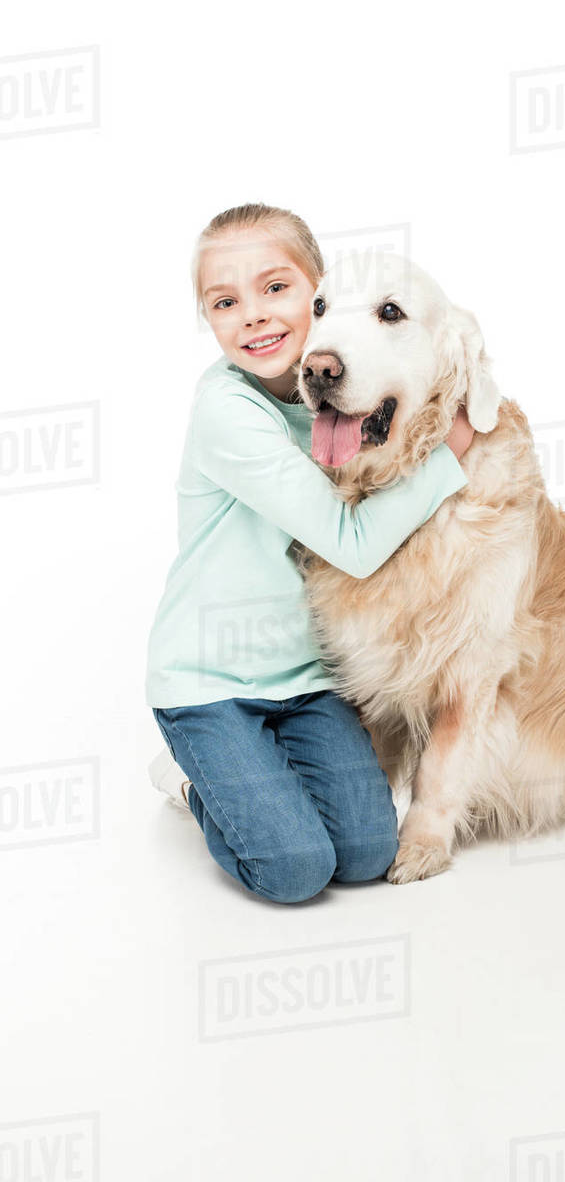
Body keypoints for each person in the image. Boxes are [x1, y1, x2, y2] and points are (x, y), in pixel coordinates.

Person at [145, 203, 475, 904]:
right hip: (212, 682)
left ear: (319, 295)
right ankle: (191, 779)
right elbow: (352, 544)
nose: (254, 316)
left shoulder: (338, 393)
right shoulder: (227, 410)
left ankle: (259, 782)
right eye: (225, 301)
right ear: (207, 319)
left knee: (362, 855)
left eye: (275, 289)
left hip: (307, 679)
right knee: (295, 870)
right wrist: (452, 454)